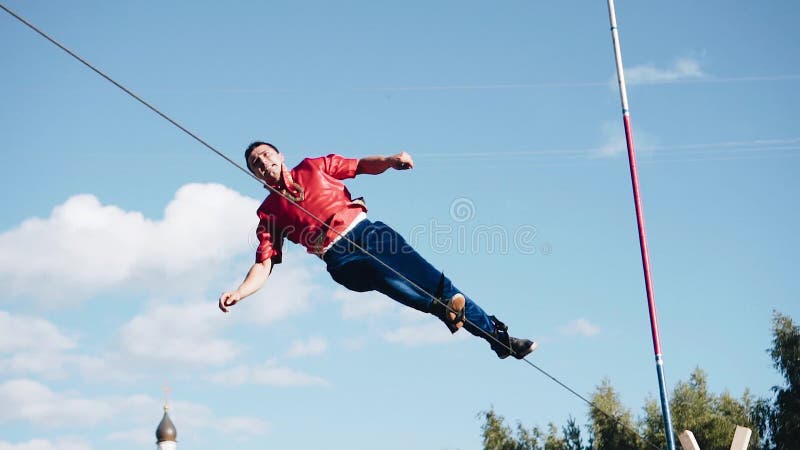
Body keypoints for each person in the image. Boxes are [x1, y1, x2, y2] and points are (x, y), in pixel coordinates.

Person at [218, 141, 536, 359]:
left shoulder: (314, 167)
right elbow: (264, 263)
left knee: (441, 285)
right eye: (256, 163)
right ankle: (442, 310)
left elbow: (359, 165)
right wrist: (240, 292)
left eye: (265, 155)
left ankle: (500, 340)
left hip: (369, 232)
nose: (263, 162)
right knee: (381, 274)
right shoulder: (269, 212)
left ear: (280, 155)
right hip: (341, 258)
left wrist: (389, 161)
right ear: (255, 174)